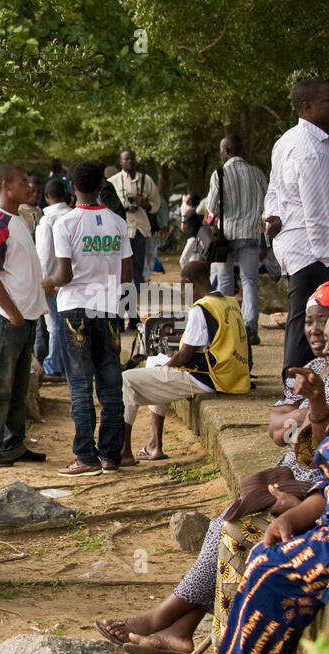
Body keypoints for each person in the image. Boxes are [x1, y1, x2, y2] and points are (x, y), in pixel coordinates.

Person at [95, 284, 329, 654]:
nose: (318, 339)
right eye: (311, 325)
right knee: (224, 526)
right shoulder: (316, 370)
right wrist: (305, 415)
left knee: (233, 531)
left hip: (313, 497)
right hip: (290, 482)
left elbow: (314, 456)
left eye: (325, 328)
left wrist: (311, 409)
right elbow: (279, 431)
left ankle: (199, 641)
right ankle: (179, 629)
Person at [182, 312, 329, 654]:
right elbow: (326, 478)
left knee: (270, 569)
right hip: (327, 521)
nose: (328, 353)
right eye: (326, 342)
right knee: (261, 556)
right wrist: (291, 515)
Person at [44, 160, 131, 476]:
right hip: (107, 307)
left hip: (74, 308)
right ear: (101, 187)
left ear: (71, 186)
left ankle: (86, 457)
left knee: (80, 384)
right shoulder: (118, 223)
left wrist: (47, 282)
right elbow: (128, 273)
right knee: (110, 383)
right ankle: (110, 455)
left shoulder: (65, 224)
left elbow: (64, 274)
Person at [118, 261, 250, 465]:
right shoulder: (229, 303)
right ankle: (155, 444)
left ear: (189, 283)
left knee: (127, 379)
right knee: (154, 360)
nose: (181, 292)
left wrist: (167, 367)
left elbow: (185, 355)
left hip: (208, 379)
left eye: (182, 287)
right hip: (233, 375)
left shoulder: (201, 309)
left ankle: (124, 450)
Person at [0, 164, 48, 468]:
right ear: (5, 186)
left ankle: (13, 442)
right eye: (22, 182)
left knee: (18, 385)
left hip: (25, 317)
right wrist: (13, 312)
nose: (30, 187)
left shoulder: (20, 219)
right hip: (9, 318)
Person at [265, 77, 329, 384]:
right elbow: (318, 213)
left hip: (295, 247)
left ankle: (300, 389)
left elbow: (272, 193)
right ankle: (296, 390)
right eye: (328, 100)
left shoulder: (286, 141)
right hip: (313, 252)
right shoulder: (312, 151)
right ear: (308, 107)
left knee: (302, 320)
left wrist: (273, 216)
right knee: (309, 323)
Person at [204, 135, 269, 345]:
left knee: (225, 281)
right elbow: (268, 201)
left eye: (221, 150)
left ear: (227, 151)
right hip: (250, 234)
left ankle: (227, 326)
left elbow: (212, 208)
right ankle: (250, 327)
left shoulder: (219, 174)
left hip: (227, 236)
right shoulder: (257, 173)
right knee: (250, 281)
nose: (220, 154)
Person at [108, 150, 160, 325]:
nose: (129, 161)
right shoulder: (113, 182)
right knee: (119, 272)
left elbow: (156, 205)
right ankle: (121, 313)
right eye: (126, 159)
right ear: (121, 162)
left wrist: (143, 203)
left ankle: (131, 313)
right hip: (120, 230)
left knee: (136, 274)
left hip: (139, 230)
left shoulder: (146, 181)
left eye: (132, 158)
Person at [34, 178, 73, 378]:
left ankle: (53, 366)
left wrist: (45, 281)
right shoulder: (74, 216)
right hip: (74, 280)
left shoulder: (47, 220)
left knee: (55, 325)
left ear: (46, 197)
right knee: (69, 324)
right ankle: (65, 364)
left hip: (54, 279)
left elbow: (44, 255)